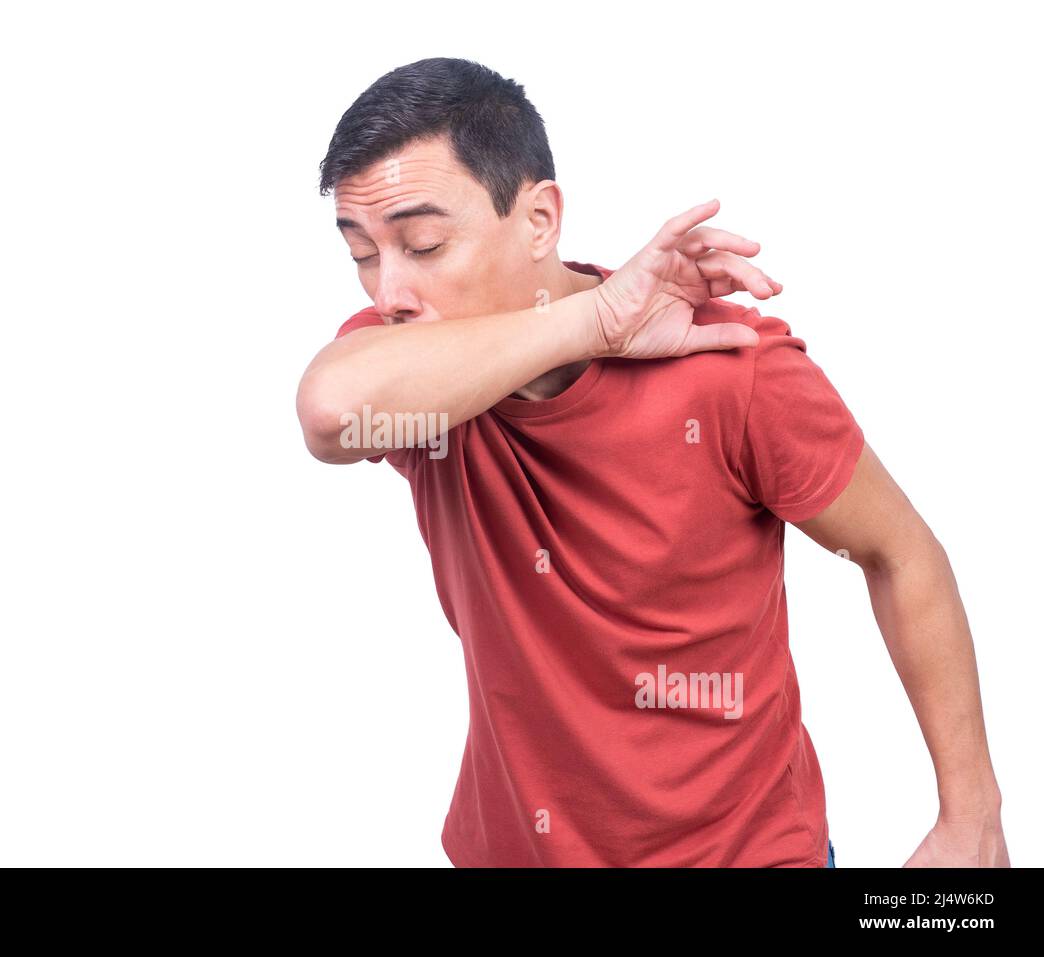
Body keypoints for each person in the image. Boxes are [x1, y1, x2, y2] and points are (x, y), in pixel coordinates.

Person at [295, 57, 1008, 867]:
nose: (389, 291)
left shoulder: (729, 366)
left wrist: (971, 813)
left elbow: (900, 551)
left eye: (423, 243)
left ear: (539, 220)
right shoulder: (419, 378)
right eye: (362, 252)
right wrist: (597, 320)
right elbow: (329, 413)